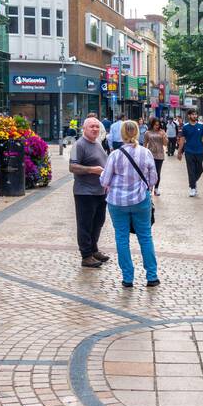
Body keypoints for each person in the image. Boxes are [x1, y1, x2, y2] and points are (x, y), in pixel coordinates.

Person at [100, 120, 159, 288]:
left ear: (122, 135)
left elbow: (105, 180)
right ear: (137, 133)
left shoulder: (115, 155)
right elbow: (153, 178)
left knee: (121, 238)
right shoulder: (145, 153)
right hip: (141, 200)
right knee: (145, 237)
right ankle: (152, 276)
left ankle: (128, 278)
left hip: (117, 202)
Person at [69, 117, 111, 268]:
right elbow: (72, 167)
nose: (95, 129)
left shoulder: (97, 143)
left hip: (100, 191)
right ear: (84, 129)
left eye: (96, 127)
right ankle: (86, 255)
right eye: (91, 127)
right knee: (85, 224)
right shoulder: (79, 145)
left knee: (98, 222)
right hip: (84, 192)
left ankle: (94, 249)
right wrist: (92, 170)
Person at [176, 109, 203, 197]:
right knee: (191, 170)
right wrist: (179, 152)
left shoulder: (201, 126)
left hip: (199, 151)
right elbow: (182, 140)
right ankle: (192, 188)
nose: (195, 116)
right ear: (189, 116)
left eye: (196, 114)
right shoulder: (185, 127)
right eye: (193, 114)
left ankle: (193, 182)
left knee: (200, 170)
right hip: (189, 151)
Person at [142, 118, 167, 196]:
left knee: (157, 172)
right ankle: (150, 188)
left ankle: (156, 188)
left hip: (159, 155)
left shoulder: (162, 132)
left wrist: (163, 137)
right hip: (150, 155)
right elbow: (145, 144)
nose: (157, 126)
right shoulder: (147, 133)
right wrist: (143, 154)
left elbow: (165, 144)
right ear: (152, 124)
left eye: (158, 125)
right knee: (149, 172)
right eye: (155, 124)